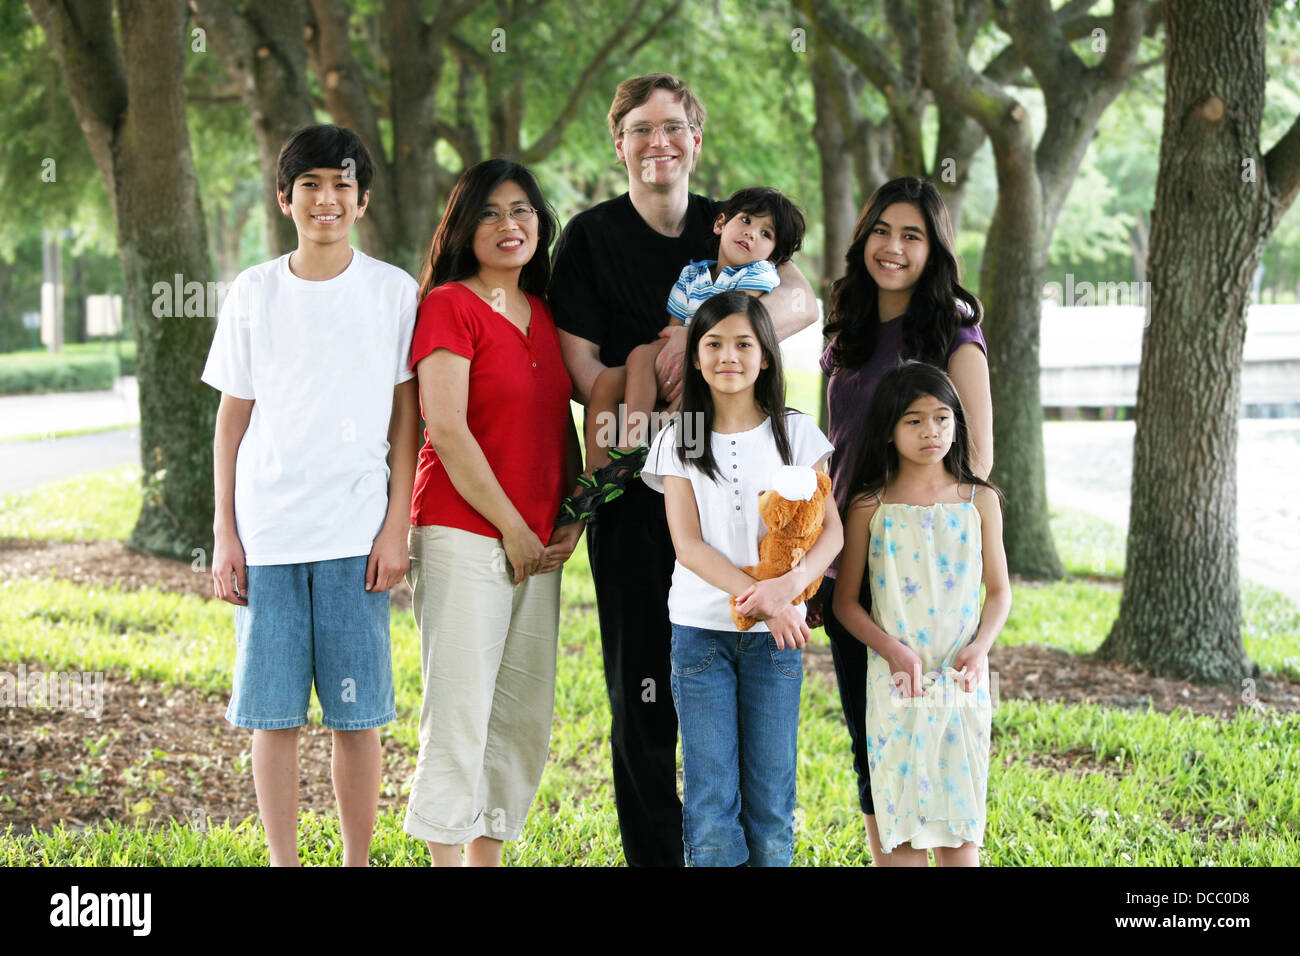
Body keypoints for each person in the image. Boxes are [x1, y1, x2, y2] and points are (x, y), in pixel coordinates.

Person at [548, 71, 818, 867]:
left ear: (697, 140)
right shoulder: (590, 237)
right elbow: (577, 368)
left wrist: (710, 334)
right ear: (620, 143)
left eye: (673, 127)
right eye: (640, 128)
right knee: (642, 695)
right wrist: (648, 388)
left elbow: (804, 296)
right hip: (635, 486)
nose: (657, 141)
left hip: (729, 490)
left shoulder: (729, 226)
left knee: (733, 684)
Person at [204, 124, 420, 867]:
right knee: (275, 717)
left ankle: (356, 863)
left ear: (361, 201)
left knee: (358, 720)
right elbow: (232, 419)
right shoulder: (255, 291)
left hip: (355, 536)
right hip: (268, 536)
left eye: (341, 186)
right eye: (310, 187)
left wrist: (398, 527)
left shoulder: (393, 291)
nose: (326, 200)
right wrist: (225, 532)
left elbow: (406, 420)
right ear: (284, 199)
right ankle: (283, 862)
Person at [403, 158, 583, 867]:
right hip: (464, 535)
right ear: (462, 226)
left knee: (520, 722)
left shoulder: (542, 312)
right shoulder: (450, 304)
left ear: (540, 223)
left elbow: (554, 422)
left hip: (537, 543)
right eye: (489, 213)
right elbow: (444, 429)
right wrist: (512, 528)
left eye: (521, 212)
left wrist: (572, 512)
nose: (508, 226)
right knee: (460, 718)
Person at [817, 176, 993, 857]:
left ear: (934, 248)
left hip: (923, 569)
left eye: (912, 235)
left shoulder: (953, 331)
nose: (893, 248)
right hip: (848, 566)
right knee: (875, 738)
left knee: (942, 733)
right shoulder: (848, 331)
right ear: (864, 238)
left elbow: (977, 454)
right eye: (882, 231)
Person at [642, 291, 842, 866]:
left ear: (767, 356)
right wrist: (761, 597)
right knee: (709, 801)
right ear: (696, 358)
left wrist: (789, 589)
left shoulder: (797, 434)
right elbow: (688, 544)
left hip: (776, 643)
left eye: (743, 344)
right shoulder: (678, 438)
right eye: (713, 344)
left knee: (772, 803)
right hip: (700, 634)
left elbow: (832, 532)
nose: (729, 356)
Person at [833, 361, 1010, 865]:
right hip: (896, 685)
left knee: (960, 837)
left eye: (941, 418)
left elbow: (998, 593)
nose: (931, 431)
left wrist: (980, 649)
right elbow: (845, 602)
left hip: (960, 682)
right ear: (888, 430)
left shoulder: (980, 501)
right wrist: (890, 650)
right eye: (913, 420)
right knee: (903, 831)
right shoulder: (869, 504)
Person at [557, 186, 806, 523]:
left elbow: (734, 317)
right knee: (614, 377)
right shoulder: (692, 275)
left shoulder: (757, 274)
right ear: (720, 224)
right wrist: (669, 351)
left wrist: (688, 342)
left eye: (765, 234)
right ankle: (598, 473)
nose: (751, 233)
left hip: (714, 364)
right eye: (746, 220)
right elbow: (671, 328)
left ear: (774, 254)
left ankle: (672, 469)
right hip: (679, 356)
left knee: (678, 397)